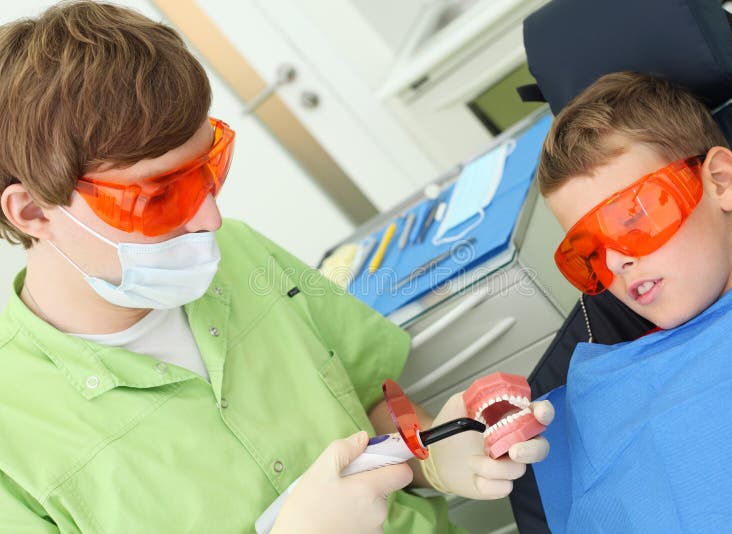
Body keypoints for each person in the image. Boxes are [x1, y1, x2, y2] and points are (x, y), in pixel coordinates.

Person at [0, 2, 554, 533]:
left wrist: (431, 449)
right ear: (32, 212)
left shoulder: (240, 255)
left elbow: (370, 400)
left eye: (208, 168)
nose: (210, 217)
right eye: (159, 196)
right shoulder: (14, 441)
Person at [532, 70, 732, 532]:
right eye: (590, 250)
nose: (615, 261)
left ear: (719, 181)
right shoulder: (599, 396)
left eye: (632, 218)